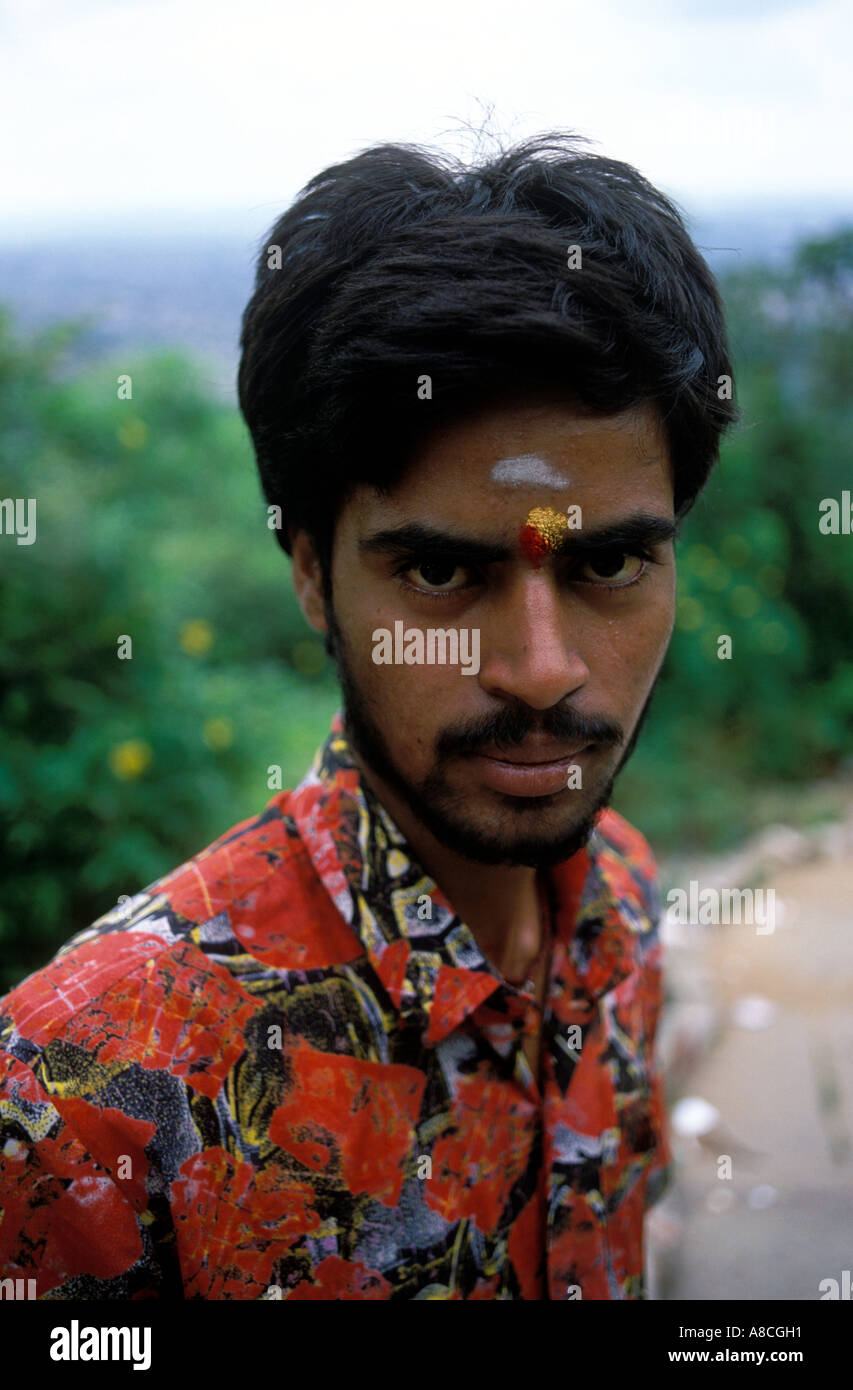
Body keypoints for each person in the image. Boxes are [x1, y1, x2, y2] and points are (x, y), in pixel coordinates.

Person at [0, 133, 737, 1300]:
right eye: (442, 575)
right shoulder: (87, 1100)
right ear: (309, 571)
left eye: (608, 565)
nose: (542, 673)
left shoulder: (625, 914)